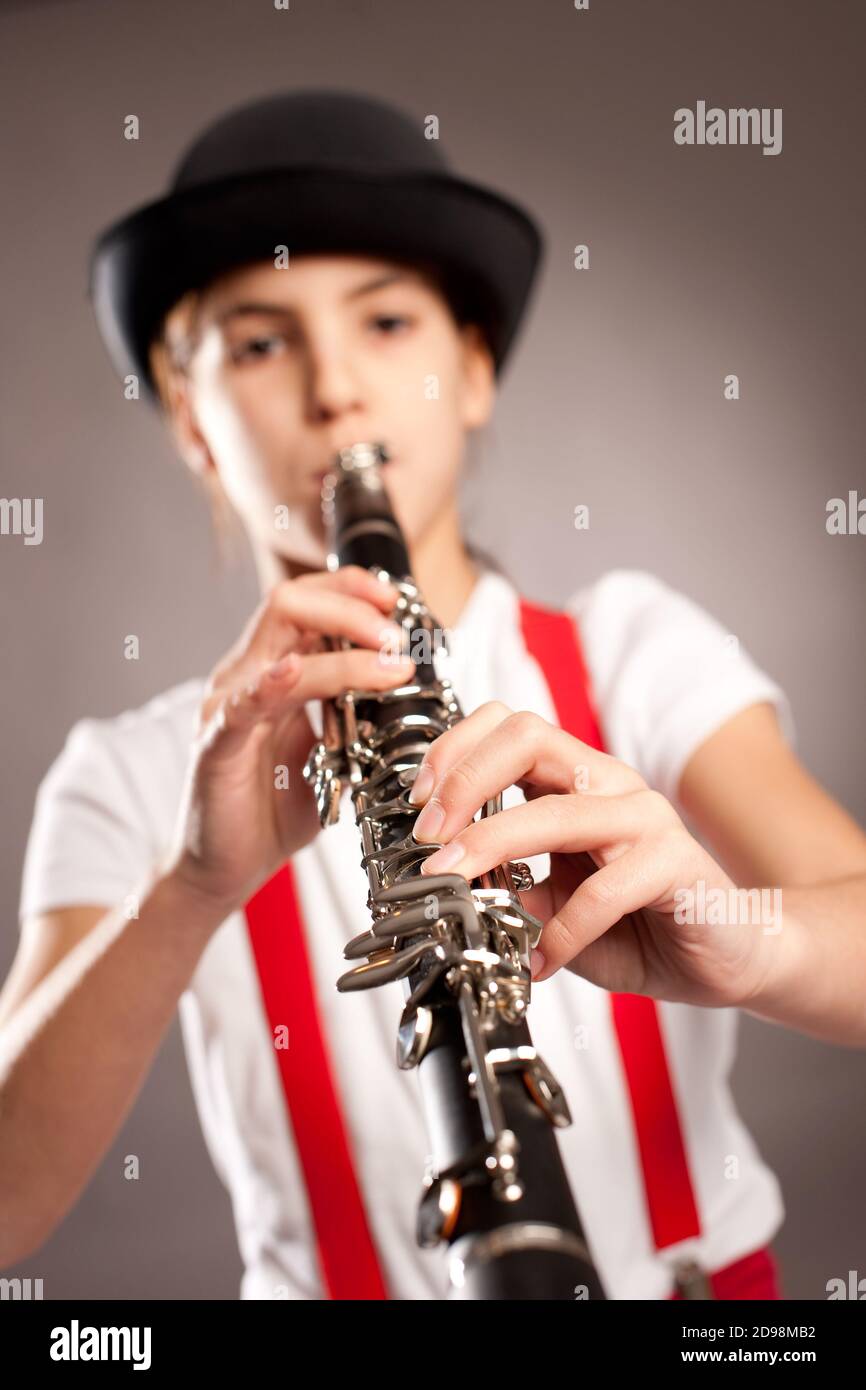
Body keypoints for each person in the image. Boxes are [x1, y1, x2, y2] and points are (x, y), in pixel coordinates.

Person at [3, 90, 865, 1303]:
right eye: (258, 341)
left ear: (470, 371)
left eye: (389, 322)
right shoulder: (130, 771)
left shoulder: (630, 647)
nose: (335, 390)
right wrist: (194, 885)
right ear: (189, 414)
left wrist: (741, 935)